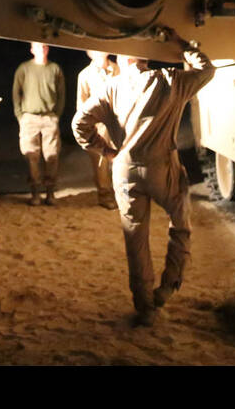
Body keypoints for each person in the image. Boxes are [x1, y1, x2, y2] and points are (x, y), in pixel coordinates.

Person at [72, 43, 215, 326]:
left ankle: (145, 306)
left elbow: (79, 125)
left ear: (122, 58)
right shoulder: (170, 80)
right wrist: (184, 47)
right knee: (181, 224)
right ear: (146, 55)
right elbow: (206, 69)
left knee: (135, 238)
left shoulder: (110, 88)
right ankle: (168, 286)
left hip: (125, 170)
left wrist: (108, 152)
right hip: (162, 168)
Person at [12, 42, 65, 206]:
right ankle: (35, 192)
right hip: (29, 117)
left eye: (44, 47)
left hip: (49, 117)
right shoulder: (24, 68)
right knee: (31, 156)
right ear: (32, 49)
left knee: (52, 156)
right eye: (38, 47)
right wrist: (20, 115)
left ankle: (50, 193)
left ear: (48, 49)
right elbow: (16, 92)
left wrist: (57, 114)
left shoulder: (55, 69)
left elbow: (62, 93)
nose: (41, 49)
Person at [76, 50, 120, 210]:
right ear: (89, 53)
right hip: (99, 123)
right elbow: (81, 102)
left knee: (122, 159)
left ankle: (123, 194)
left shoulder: (119, 69)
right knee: (101, 162)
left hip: (119, 121)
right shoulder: (85, 75)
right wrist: (87, 127)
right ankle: (105, 196)